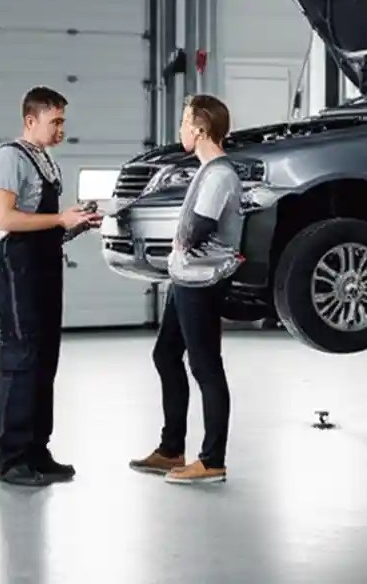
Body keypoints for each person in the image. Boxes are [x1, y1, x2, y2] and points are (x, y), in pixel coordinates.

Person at [0, 86, 102, 487]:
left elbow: (49, 227)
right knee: (20, 356)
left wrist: (75, 224)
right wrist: (58, 221)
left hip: (46, 265)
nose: (61, 129)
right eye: (55, 121)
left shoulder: (48, 162)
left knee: (45, 357)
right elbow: (3, 219)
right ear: (30, 120)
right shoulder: (8, 158)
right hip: (18, 268)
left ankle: (37, 449)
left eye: (63, 121)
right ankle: (10, 457)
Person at [130, 94, 243, 485]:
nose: (180, 130)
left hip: (202, 281)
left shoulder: (219, 175)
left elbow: (197, 228)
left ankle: (212, 460)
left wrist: (173, 245)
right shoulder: (206, 170)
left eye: (184, 123)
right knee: (165, 355)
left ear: (200, 128)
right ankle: (171, 449)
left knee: (206, 366)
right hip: (185, 278)